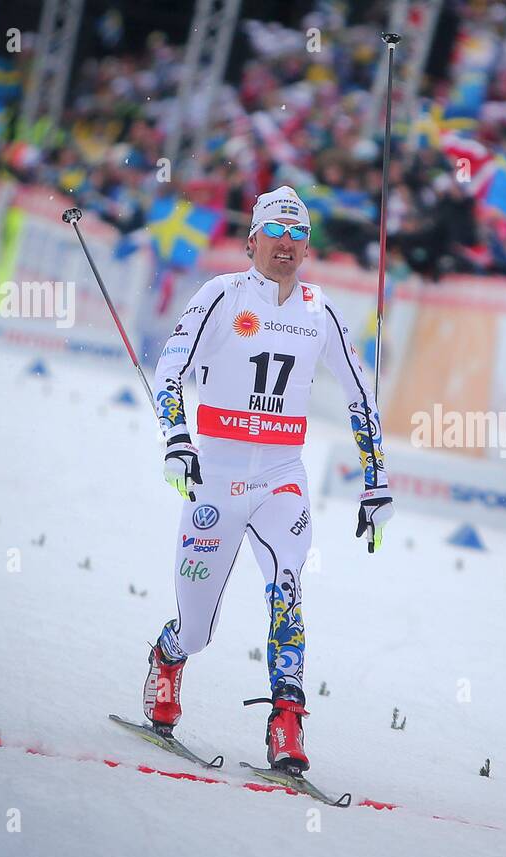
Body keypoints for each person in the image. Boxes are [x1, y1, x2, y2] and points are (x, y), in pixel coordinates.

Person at [142, 185, 395, 773]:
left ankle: (286, 721)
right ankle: (168, 658)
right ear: (251, 240)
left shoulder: (318, 309)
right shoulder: (222, 295)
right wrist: (178, 439)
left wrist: (375, 481)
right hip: (217, 477)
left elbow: (361, 396)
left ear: (307, 247)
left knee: (287, 584)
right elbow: (171, 367)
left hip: (282, 476)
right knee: (198, 626)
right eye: (275, 232)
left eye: (298, 233)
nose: (286, 243)